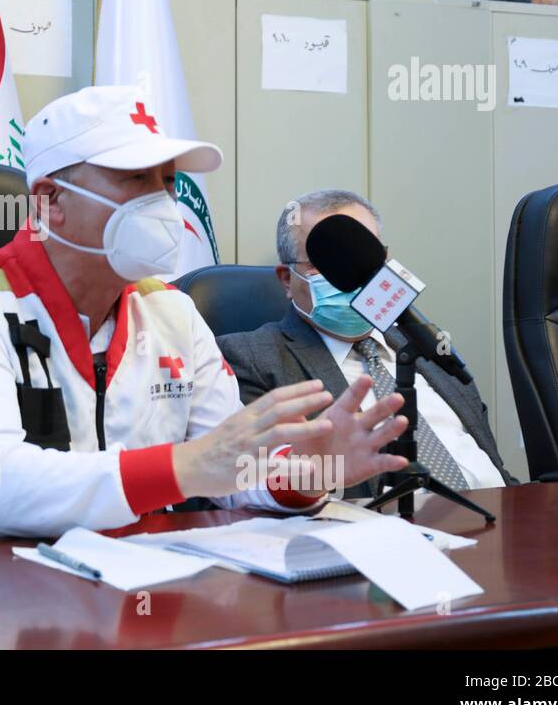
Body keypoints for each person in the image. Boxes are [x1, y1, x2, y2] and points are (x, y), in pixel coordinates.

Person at [0, 86, 409, 538]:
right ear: (49, 202)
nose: (163, 203)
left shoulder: (172, 311)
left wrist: (303, 474)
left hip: (132, 589)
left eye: (168, 181)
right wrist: (184, 466)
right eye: (135, 179)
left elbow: (228, 471)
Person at [218, 188, 517, 496]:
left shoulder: (425, 346)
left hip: (501, 516)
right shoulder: (252, 358)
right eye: (326, 262)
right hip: (384, 533)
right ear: (286, 279)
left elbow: (496, 465)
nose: (349, 274)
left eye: (361, 258)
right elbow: (259, 485)